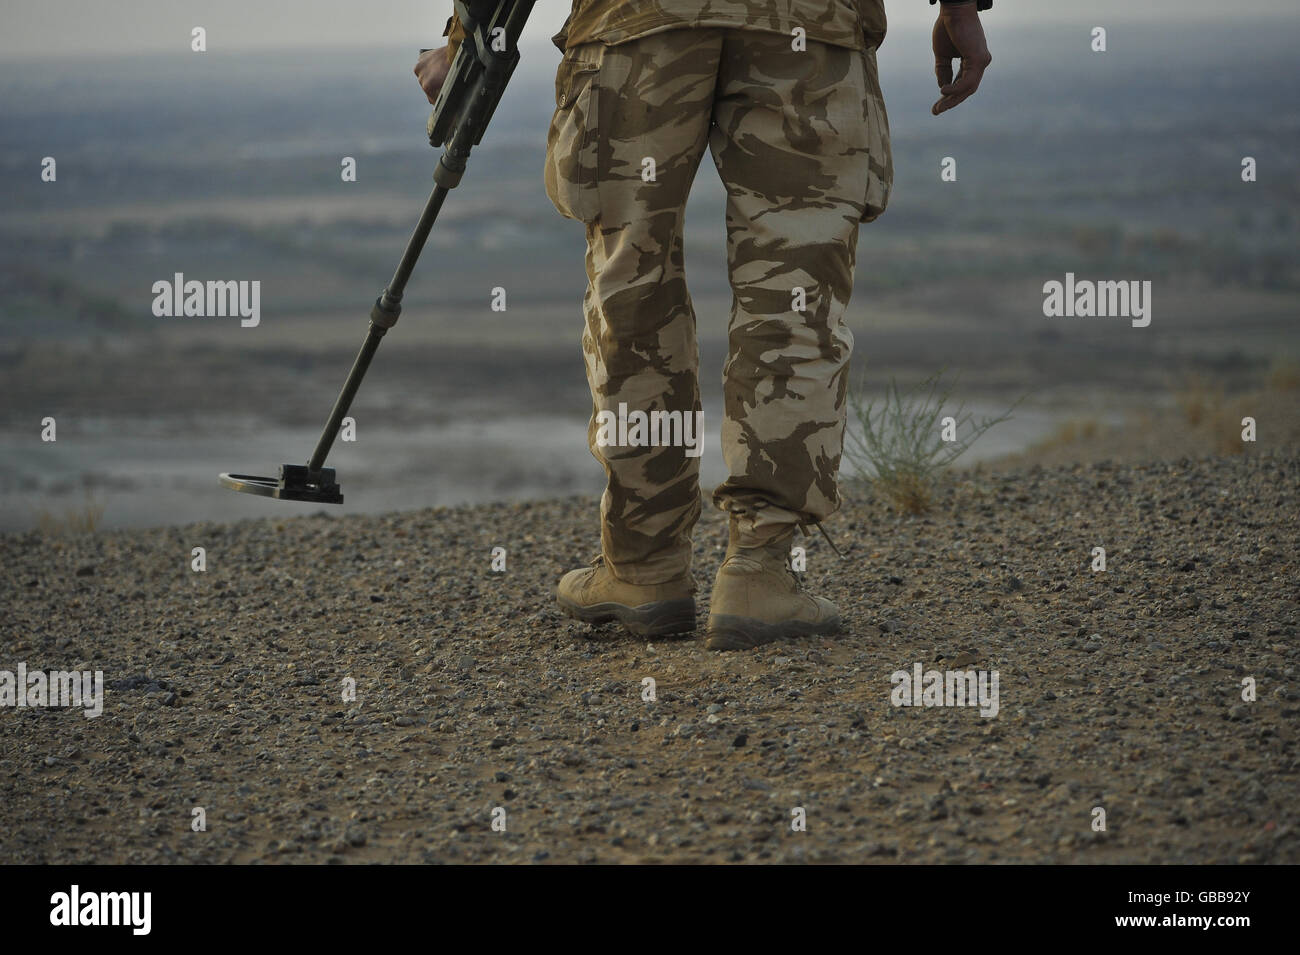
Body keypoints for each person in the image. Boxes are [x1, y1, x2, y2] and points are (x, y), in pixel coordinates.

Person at [415, 1, 992, 650]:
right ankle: (760, 571)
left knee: (632, 279)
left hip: (639, 18)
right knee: (794, 285)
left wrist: (468, 32)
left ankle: (643, 565)